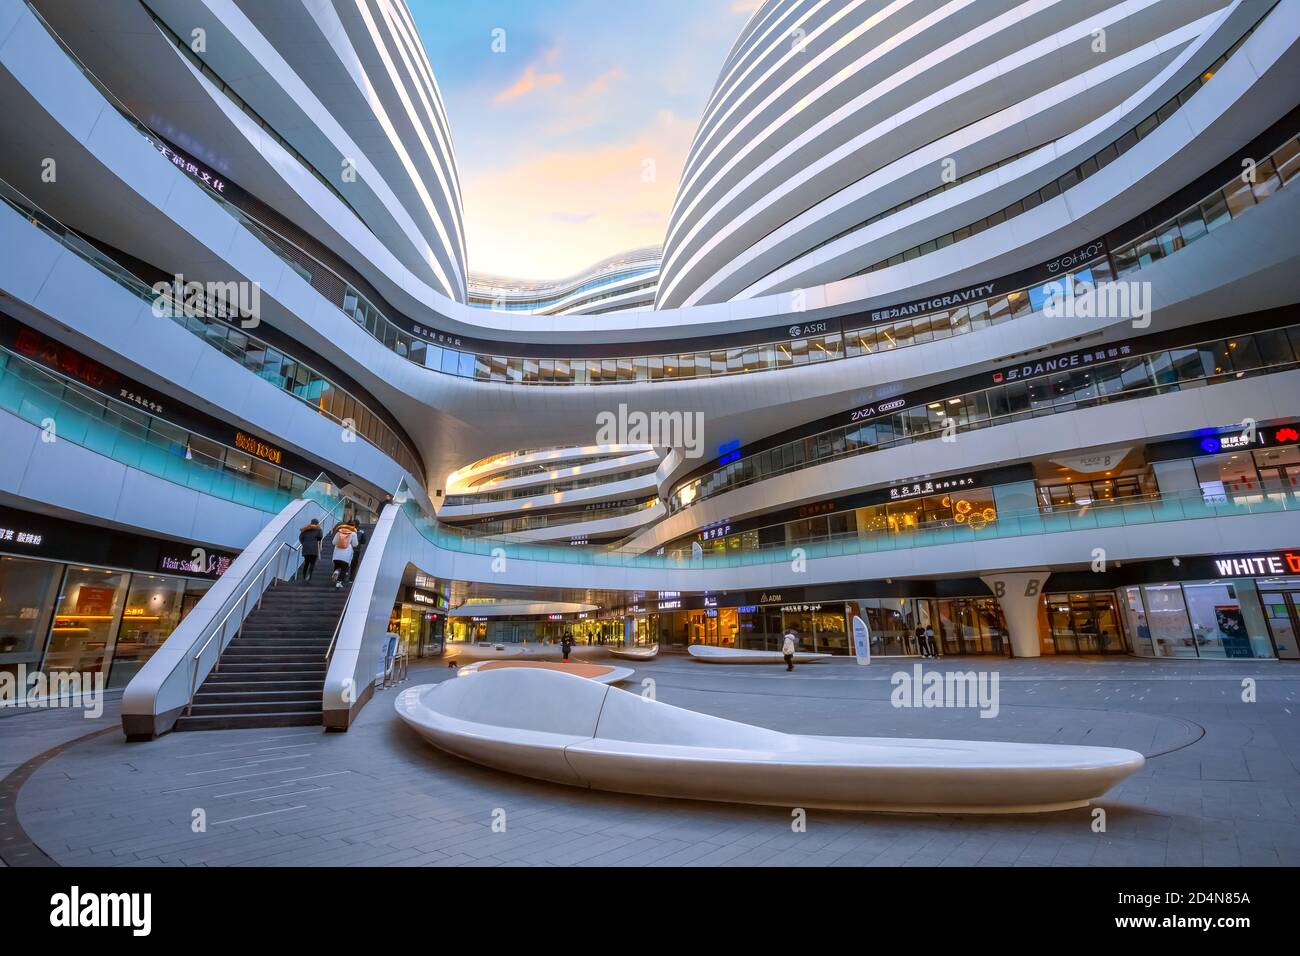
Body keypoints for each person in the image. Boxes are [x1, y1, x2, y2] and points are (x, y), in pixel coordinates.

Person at [330, 523, 356, 589]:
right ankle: (339, 583)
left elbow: (333, 542)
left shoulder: (338, 533)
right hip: (346, 553)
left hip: (337, 553)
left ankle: (336, 571)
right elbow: (355, 544)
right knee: (344, 568)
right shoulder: (353, 534)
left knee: (337, 565)